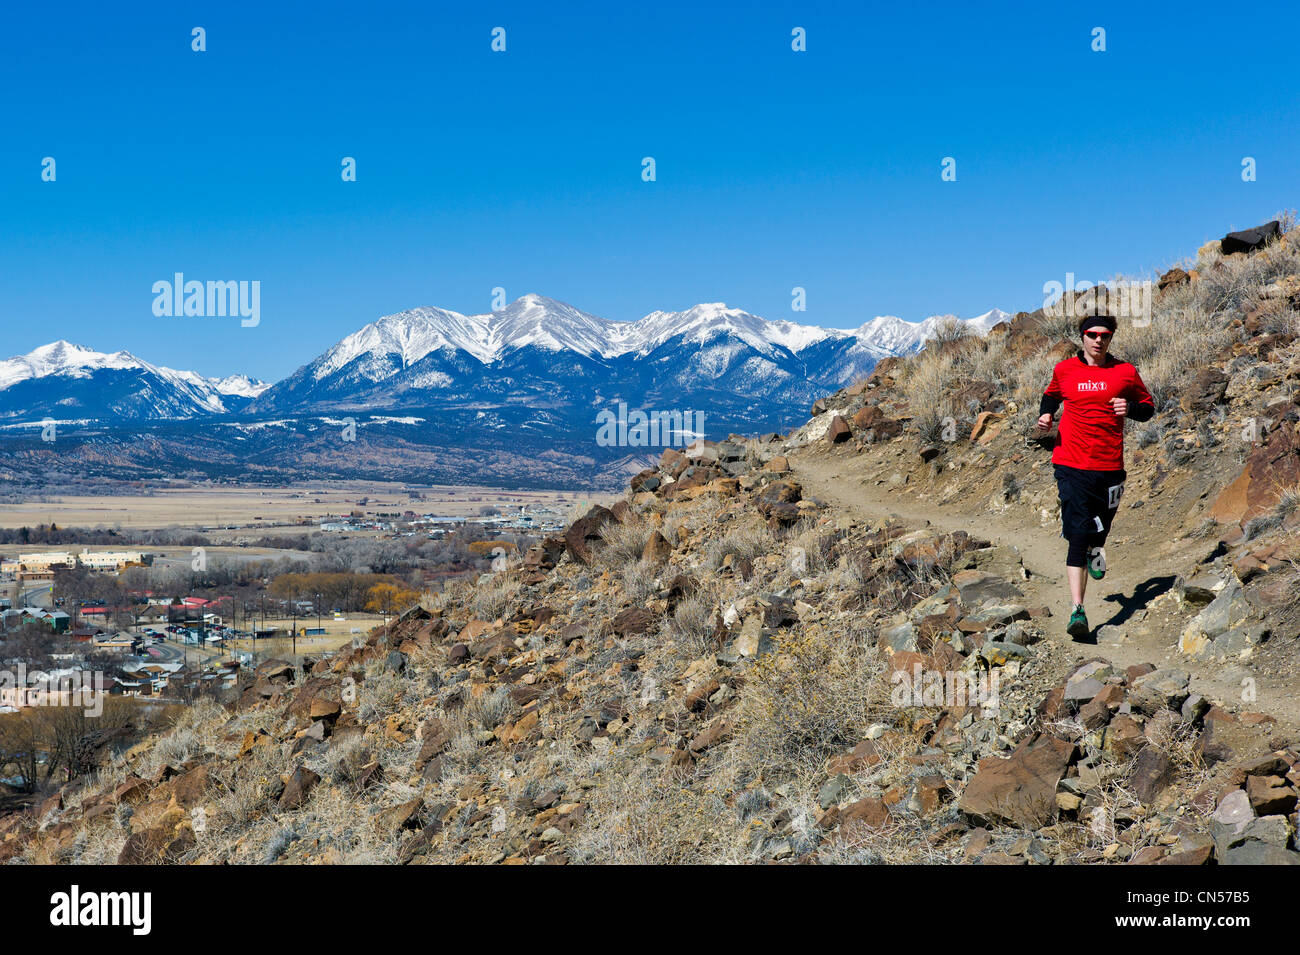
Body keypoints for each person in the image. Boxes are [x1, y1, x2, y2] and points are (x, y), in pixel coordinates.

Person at [1036, 311, 1155, 638]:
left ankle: (1097, 550)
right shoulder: (1065, 370)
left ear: (1111, 338)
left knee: (1099, 530)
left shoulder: (1125, 372)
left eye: (1105, 335)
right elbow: (1051, 395)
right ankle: (1078, 610)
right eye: (1092, 335)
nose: (1098, 340)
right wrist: (1047, 415)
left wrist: (1129, 409)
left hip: (1109, 467)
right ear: (1082, 336)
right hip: (1070, 464)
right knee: (1078, 533)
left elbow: (1148, 408)